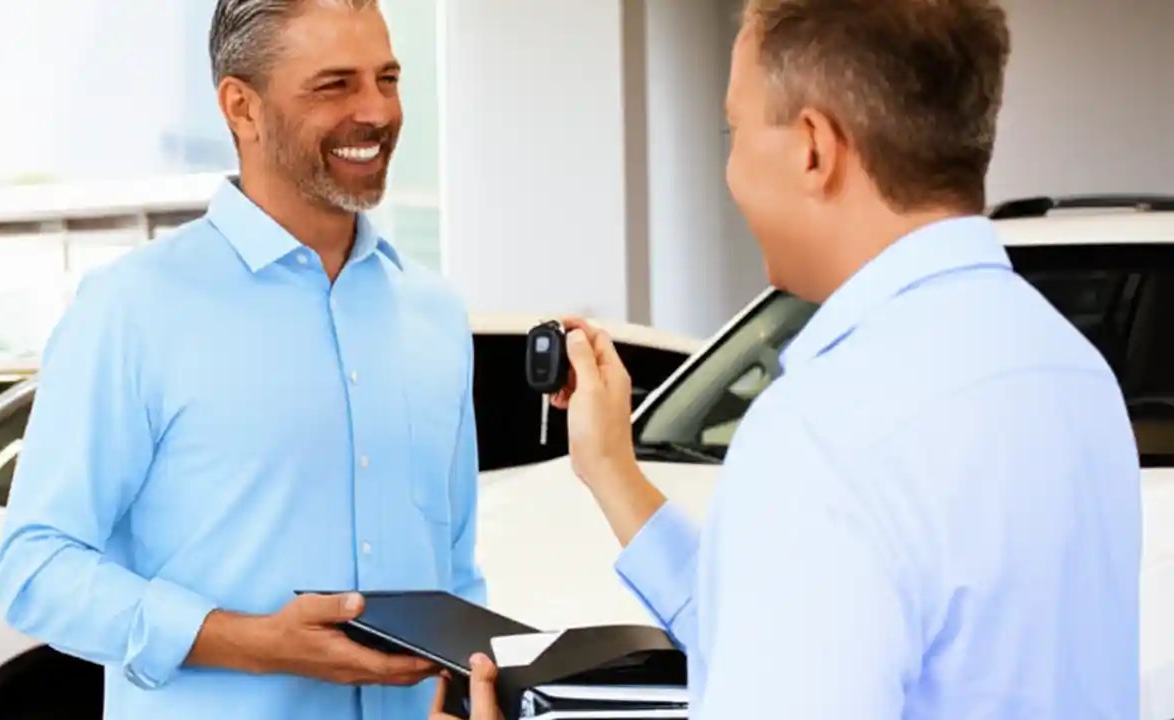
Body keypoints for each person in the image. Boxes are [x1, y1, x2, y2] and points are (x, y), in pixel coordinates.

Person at [433, 0, 1142, 718]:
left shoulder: (825, 429)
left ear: (812, 148)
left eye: (733, 132)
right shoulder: (1075, 374)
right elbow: (793, 632)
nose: (731, 171)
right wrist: (611, 468)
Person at [0, 1, 484, 718]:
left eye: (388, 78)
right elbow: (34, 568)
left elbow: (458, 576)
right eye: (335, 85)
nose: (376, 111)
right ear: (241, 108)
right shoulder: (134, 308)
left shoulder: (434, 314)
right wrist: (246, 642)